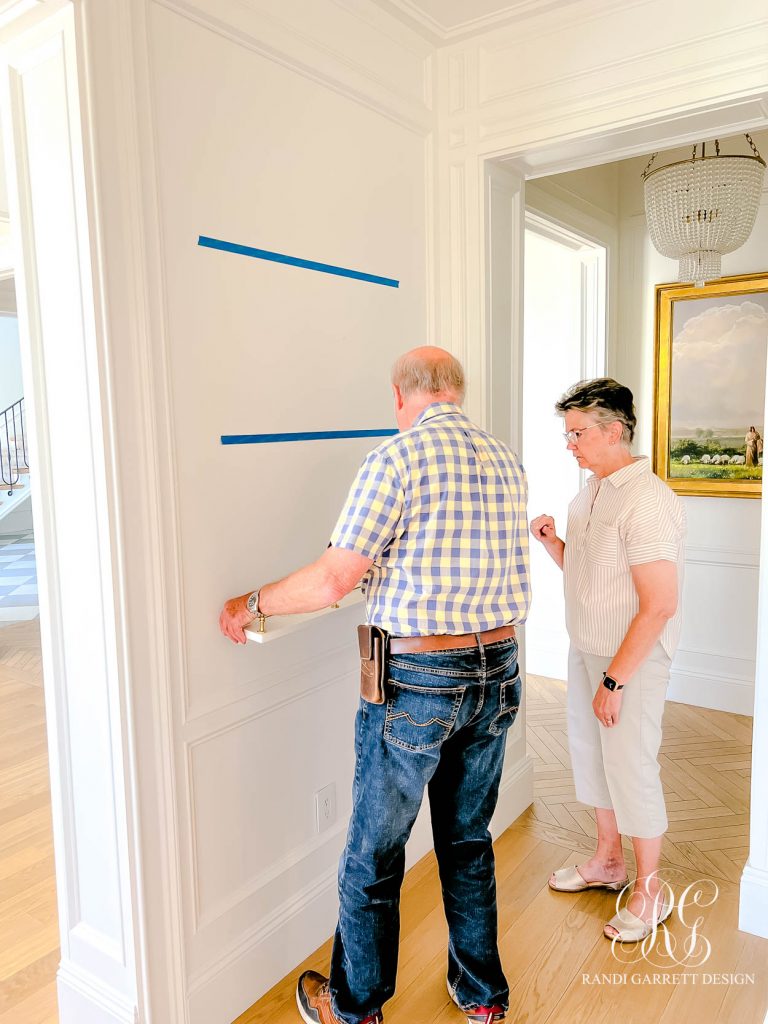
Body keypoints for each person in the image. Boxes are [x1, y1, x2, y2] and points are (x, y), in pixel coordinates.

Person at [219, 346, 530, 1024]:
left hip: (419, 678)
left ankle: (354, 1007)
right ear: (456, 391)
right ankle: (482, 998)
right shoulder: (507, 459)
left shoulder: (396, 458)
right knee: (468, 840)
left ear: (401, 396)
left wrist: (251, 603)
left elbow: (334, 578)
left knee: (374, 853)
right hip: (499, 668)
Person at [530, 378, 685, 943]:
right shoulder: (589, 493)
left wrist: (615, 679)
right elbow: (592, 577)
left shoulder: (648, 501)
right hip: (586, 648)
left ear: (615, 429)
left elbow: (660, 604)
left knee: (631, 767)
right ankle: (607, 862)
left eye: (578, 433)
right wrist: (554, 546)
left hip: (632, 662)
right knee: (592, 758)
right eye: (568, 433)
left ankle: (650, 890)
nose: (569, 444)